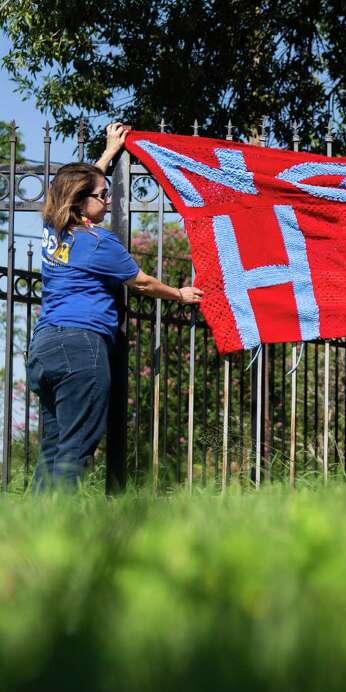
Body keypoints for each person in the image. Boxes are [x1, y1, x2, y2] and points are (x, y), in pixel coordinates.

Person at [28, 122, 204, 491]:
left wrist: (108, 154)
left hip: (44, 347)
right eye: (103, 195)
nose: (108, 200)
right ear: (81, 201)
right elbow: (142, 282)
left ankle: (37, 520)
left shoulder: (51, 229)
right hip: (81, 347)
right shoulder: (98, 242)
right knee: (75, 449)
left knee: (53, 448)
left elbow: (81, 187)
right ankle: (61, 519)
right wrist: (179, 294)